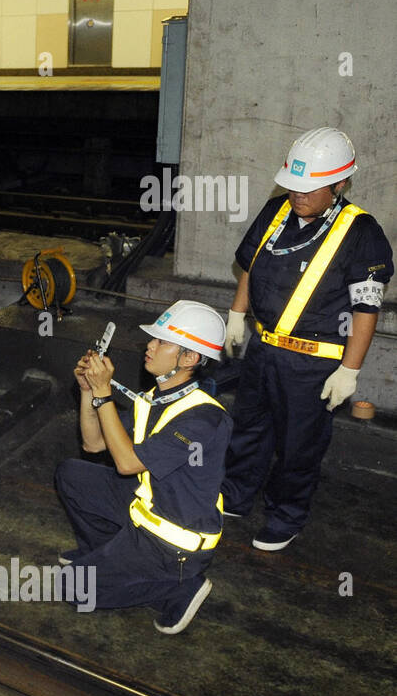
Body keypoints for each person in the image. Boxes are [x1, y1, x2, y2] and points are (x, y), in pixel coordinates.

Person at [222, 128, 393, 551]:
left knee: (299, 445)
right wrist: (236, 314)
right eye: (293, 185)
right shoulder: (276, 211)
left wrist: (349, 370)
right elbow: (251, 265)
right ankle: (237, 496)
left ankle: (286, 515)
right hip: (262, 350)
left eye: (309, 188)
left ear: (340, 184)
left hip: (312, 363)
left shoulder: (362, 233)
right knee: (249, 429)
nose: (297, 195)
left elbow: (366, 308)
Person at [55, 301, 231, 634]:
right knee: (72, 474)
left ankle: (178, 587)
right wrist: (88, 392)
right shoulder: (156, 400)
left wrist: (104, 393)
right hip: (149, 507)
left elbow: (125, 463)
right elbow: (93, 444)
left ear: (190, 358)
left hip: (174, 542)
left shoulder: (204, 418)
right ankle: (104, 554)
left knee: (72, 588)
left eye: (162, 341)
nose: (150, 346)